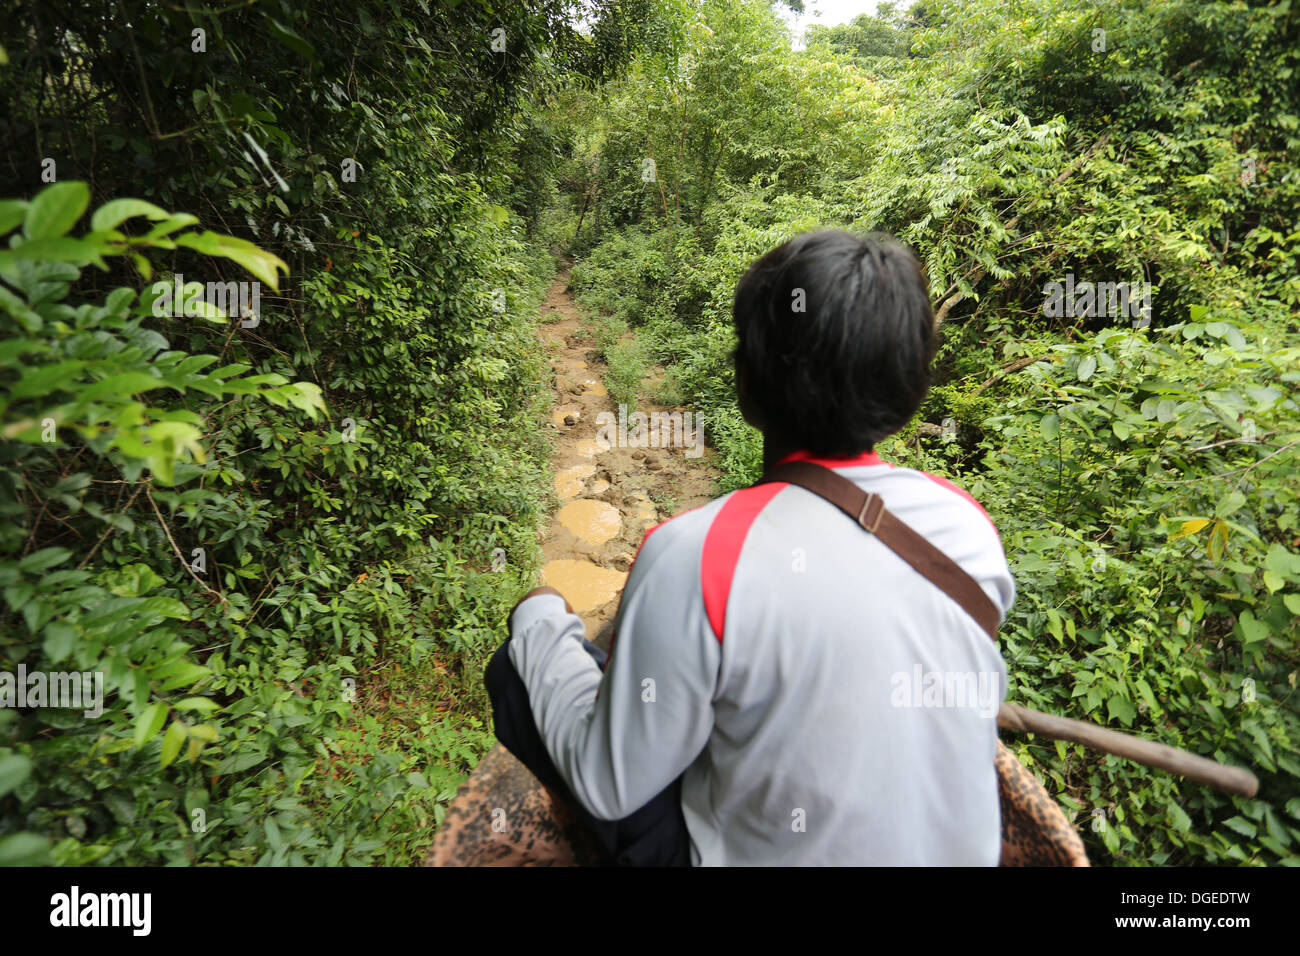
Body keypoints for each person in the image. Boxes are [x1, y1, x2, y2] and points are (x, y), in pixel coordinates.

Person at [485, 229, 1015, 865]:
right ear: (906, 390)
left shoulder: (698, 553)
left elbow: (609, 785)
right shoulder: (967, 526)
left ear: (746, 381)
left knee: (525, 662)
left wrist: (540, 619)